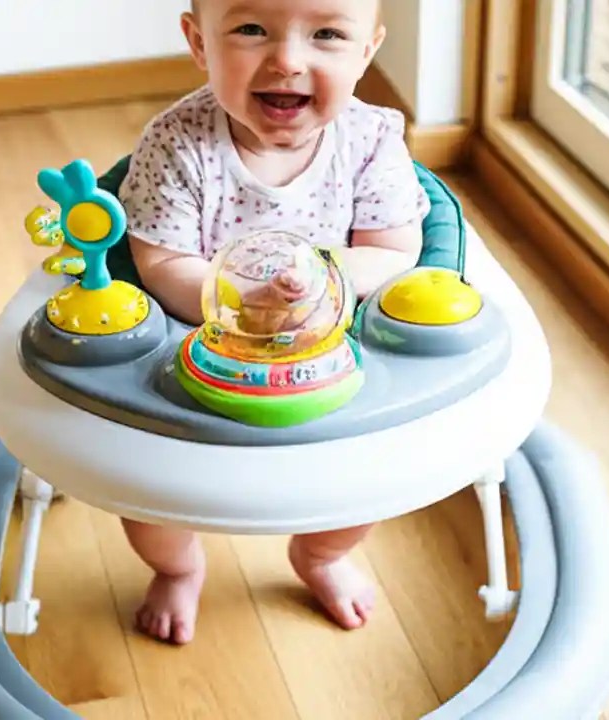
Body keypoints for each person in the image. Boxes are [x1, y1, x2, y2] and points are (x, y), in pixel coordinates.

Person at [115, 0, 430, 645]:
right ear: (199, 42)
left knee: (370, 486)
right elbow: (162, 262)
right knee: (143, 495)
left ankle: (320, 556)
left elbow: (394, 250)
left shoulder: (370, 141)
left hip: (331, 362)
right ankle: (178, 569)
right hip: (200, 355)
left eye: (327, 35)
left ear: (366, 52)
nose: (287, 60)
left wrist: (323, 276)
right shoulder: (176, 146)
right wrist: (238, 297)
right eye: (252, 28)